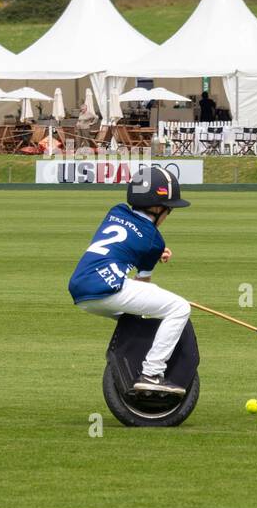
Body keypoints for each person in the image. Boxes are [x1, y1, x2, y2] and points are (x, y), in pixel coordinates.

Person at [68, 167, 192, 396]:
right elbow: (143, 282)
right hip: (106, 288)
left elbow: (127, 242)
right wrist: (154, 254)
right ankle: (152, 373)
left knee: (137, 314)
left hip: (80, 290)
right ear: (156, 208)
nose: (167, 216)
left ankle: (131, 359)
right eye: (168, 210)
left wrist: (153, 253)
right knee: (179, 307)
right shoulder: (154, 240)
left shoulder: (116, 212)